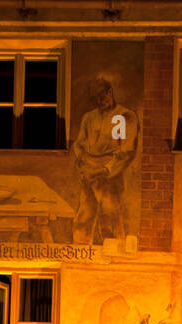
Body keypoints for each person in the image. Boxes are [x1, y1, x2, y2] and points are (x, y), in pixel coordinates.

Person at [72, 78, 138, 244]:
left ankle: (116, 260)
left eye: (102, 96)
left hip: (109, 176)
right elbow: (79, 144)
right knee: (84, 217)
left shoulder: (121, 117)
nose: (100, 102)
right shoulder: (89, 117)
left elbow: (125, 152)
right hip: (89, 173)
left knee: (110, 217)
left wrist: (103, 171)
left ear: (110, 92)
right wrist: (82, 163)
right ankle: (80, 256)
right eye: (95, 99)